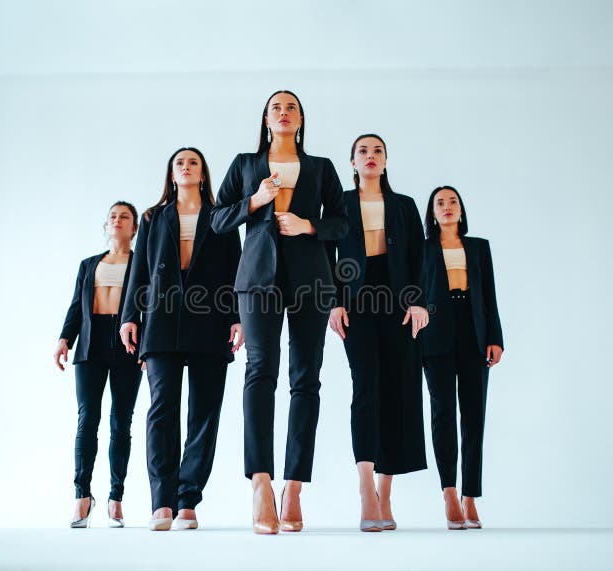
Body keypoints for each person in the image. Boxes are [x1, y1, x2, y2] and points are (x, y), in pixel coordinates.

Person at [210, 90, 349, 533]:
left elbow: (343, 223)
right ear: (266, 120)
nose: (284, 112)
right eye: (276, 107)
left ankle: (293, 488)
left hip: (312, 278)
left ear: (300, 120)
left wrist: (309, 225)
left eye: (291, 107)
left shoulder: (322, 167)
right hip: (256, 278)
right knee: (260, 372)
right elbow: (217, 220)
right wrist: (254, 201)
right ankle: (260, 484)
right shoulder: (244, 164)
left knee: (306, 379)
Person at [120, 147, 243, 531]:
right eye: (180, 163)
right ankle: (162, 501)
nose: (186, 167)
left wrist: (237, 318)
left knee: (204, 413)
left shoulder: (221, 217)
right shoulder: (153, 217)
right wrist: (129, 316)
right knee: (162, 410)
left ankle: (188, 498)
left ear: (203, 174)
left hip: (210, 318)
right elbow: (139, 272)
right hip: (161, 320)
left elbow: (235, 270)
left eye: (193, 163)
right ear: (171, 174)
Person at [327, 134, 429, 532]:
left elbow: (420, 258)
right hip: (356, 300)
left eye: (377, 151)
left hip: (398, 301)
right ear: (352, 162)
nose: (370, 156)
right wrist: (334, 301)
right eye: (363, 151)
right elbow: (327, 254)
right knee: (365, 386)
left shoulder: (404, 205)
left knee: (396, 389)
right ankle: (365, 487)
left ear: (386, 161)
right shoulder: (340, 203)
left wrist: (418, 302)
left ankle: (386, 492)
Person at [54, 201, 143, 528]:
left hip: (128, 345)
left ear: (134, 227)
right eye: (113, 216)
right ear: (106, 224)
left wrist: (147, 349)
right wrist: (65, 339)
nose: (118, 220)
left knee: (121, 422)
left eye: (125, 217)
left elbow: (151, 308)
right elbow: (76, 305)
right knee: (87, 419)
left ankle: (115, 497)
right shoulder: (89, 264)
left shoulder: (142, 263)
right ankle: (82, 495)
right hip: (90, 345)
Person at [421, 185, 504, 530]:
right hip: (435, 335)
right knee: (442, 414)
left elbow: (489, 295)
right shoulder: (423, 248)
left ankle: (470, 495)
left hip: (474, 333)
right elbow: (414, 293)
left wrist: (495, 338)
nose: (447, 206)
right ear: (432, 213)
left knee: (473, 415)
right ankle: (450, 492)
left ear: (461, 209)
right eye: (440, 203)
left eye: (453, 201)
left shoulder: (479, 247)